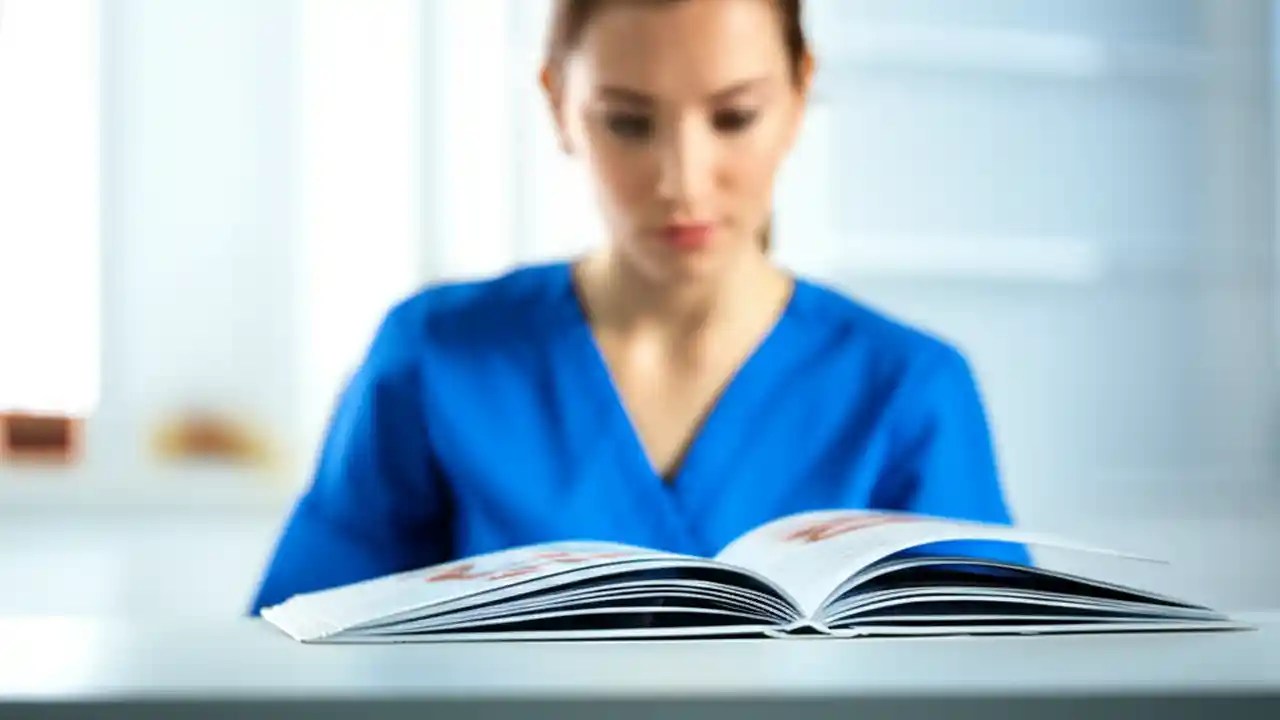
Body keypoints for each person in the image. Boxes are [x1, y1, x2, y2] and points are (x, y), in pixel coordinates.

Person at [250, 0, 1026, 614]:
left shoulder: (910, 387)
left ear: (798, 95)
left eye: (734, 117)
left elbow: (987, 681)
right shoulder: (435, 357)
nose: (682, 180)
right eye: (628, 122)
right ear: (558, 103)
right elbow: (294, 651)